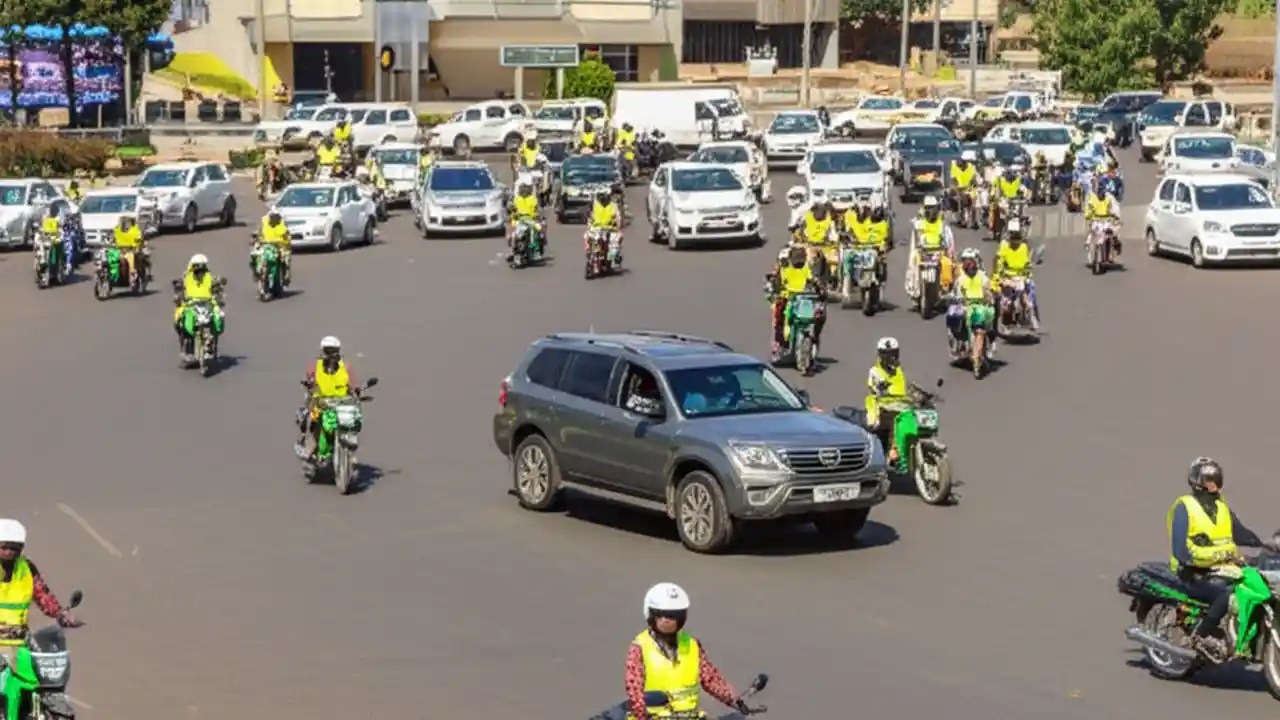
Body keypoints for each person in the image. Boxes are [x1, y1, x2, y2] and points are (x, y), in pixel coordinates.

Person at [1167, 458, 1267, 659]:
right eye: (1208, 479)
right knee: (1227, 593)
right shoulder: (1184, 507)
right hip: (1191, 573)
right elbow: (1181, 551)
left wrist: (1267, 545)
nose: (1213, 483)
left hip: (1221, 569)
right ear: (1196, 481)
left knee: (1258, 584)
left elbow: (1241, 534)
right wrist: (1217, 557)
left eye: (1216, 478)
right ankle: (1200, 635)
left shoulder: (1222, 508)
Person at [621, 583, 743, 720]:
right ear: (651, 615)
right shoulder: (640, 647)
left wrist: (735, 701)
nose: (667, 620)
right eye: (661, 615)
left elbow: (710, 678)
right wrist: (642, 714)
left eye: (673, 615)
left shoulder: (692, 644)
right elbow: (634, 689)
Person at [0, 519, 82, 672]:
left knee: (34, 684)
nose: (10, 552)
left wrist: (61, 614)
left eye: (15, 548)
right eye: (4, 547)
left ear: (22, 548)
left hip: (19, 644)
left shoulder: (27, 568)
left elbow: (43, 595)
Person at [296, 336, 358, 459]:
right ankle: (308, 446)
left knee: (353, 420)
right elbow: (309, 380)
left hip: (341, 404)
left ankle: (348, 452)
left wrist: (356, 390)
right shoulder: (315, 366)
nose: (331, 353)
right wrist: (309, 383)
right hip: (320, 403)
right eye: (328, 350)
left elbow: (352, 384)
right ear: (322, 350)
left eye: (333, 350)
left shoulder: (345, 367)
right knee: (313, 420)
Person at [865, 337, 910, 464]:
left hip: (899, 404)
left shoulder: (898, 370)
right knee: (893, 421)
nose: (892, 358)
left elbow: (903, 389)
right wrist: (881, 387)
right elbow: (874, 387)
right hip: (879, 406)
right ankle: (892, 451)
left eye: (894, 354)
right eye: (888, 355)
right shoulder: (875, 371)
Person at [770, 245, 820, 354]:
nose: (799, 260)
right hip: (788, 299)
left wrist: (819, 288)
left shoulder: (806, 268)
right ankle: (779, 344)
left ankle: (813, 346)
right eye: (796, 257)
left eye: (801, 257)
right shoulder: (785, 269)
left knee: (818, 317)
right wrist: (776, 289)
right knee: (779, 317)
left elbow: (814, 281)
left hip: (804, 299)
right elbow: (776, 283)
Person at [948, 248, 996, 358]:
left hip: (980, 307)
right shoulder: (960, 279)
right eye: (965, 261)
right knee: (954, 318)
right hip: (965, 307)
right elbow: (955, 293)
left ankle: (990, 343)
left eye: (970, 261)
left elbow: (988, 290)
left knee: (990, 319)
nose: (968, 264)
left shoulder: (982, 276)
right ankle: (957, 343)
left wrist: (990, 296)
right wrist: (954, 299)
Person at [173, 254, 225, 354]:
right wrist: (179, 296)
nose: (200, 269)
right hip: (190, 305)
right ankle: (184, 342)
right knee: (178, 318)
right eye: (197, 266)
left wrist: (219, 295)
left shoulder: (210, 277)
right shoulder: (186, 278)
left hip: (208, 304)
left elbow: (218, 289)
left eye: (202, 266)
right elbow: (179, 290)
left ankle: (212, 342)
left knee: (219, 316)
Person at [906, 195, 955, 301]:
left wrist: (947, 250)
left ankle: (944, 290)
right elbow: (915, 239)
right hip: (923, 253)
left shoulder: (942, 222)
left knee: (948, 264)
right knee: (913, 261)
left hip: (938, 253)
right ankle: (916, 290)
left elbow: (948, 239)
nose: (930, 210)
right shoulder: (919, 222)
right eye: (927, 207)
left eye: (932, 207)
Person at [993, 220, 1038, 331]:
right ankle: (1004, 324)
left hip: (1021, 278)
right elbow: (999, 262)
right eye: (1012, 234)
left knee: (1029, 299)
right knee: (1005, 302)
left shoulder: (1023, 246)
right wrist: (1000, 277)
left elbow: (1027, 262)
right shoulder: (1004, 245)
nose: (1014, 238)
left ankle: (1032, 317)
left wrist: (1028, 273)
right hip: (1008, 278)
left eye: (1016, 234)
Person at [1084, 164, 1121, 257]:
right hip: (1096, 220)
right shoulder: (1091, 195)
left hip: (1106, 220)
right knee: (1091, 233)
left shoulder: (1109, 196)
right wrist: (1088, 215)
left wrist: (1115, 216)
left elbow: (1114, 208)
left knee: (1112, 233)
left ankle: (1115, 246)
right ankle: (1089, 246)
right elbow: (1089, 208)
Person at [507, 180, 545, 259]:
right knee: (512, 233)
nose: (523, 191)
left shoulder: (532, 199)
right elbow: (511, 209)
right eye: (522, 189)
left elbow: (537, 209)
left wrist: (537, 215)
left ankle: (536, 251)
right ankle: (511, 250)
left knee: (537, 231)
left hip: (530, 220)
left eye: (525, 189)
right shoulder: (516, 199)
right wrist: (512, 213)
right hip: (518, 220)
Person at [257, 210, 293, 286]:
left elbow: (287, 237)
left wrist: (286, 242)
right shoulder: (264, 222)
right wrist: (258, 240)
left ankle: (286, 276)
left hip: (280, 246)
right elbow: (259, 234)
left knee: (286, 259)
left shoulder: (282, 224)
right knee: (258, 257)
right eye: (272, 217)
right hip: (267, 246)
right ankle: (260, 277)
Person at [113, 215, 149, 283]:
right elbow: (112, 238)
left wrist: (137, 245)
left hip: (131, 250)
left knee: (134, 258)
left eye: (126, 222)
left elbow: (138, 239)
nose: (124, 224)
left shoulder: (134, 230)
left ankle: (135, 274)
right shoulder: (116, 230)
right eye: (122, 222)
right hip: (119, 251)